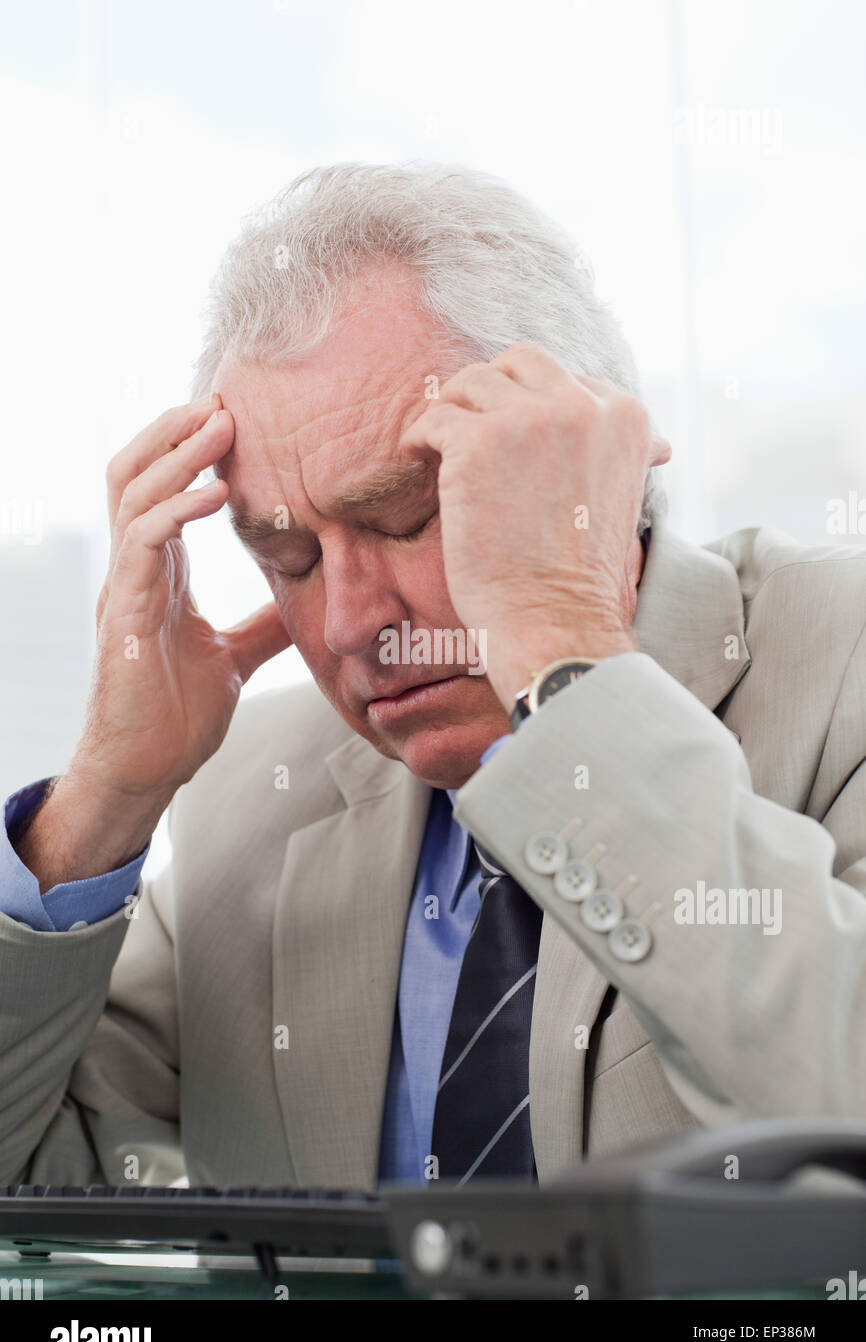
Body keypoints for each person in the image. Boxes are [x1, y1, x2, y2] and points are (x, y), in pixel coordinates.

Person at [1, 163, 864, 1192]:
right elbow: (39, 1172)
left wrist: (561, 655)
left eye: (406, 518)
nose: (352, 620)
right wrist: (107, 795)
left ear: (585, 451)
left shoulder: (838, 661)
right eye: (289, 560)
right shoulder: (247, 803)